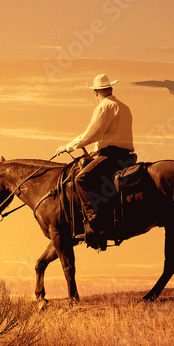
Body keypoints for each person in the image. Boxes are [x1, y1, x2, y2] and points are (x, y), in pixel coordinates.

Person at [55, 74, 136, 248]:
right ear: (111, 89)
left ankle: (93, 219)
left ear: (95, 92)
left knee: (80, 179)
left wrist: (68, 146)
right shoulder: (124, 107)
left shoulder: (104, 107)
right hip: (125, 157)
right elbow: (111, 135)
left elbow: (92, 134)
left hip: (111, 156)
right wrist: (93, 152)